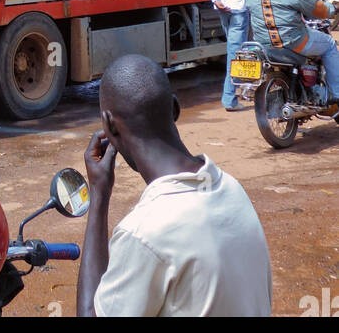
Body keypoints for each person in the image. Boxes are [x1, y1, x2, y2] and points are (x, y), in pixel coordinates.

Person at [76, 54, 272, 317]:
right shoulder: (232, 188)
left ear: (110, 125)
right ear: (175, 108)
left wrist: (99, 196)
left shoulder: (143, 234)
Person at [244, 0, 339, 100]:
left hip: (262, 43)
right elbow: (320, 10)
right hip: (293, 41)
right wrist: (332, 8)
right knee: (329, 44)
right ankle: (336, 94)